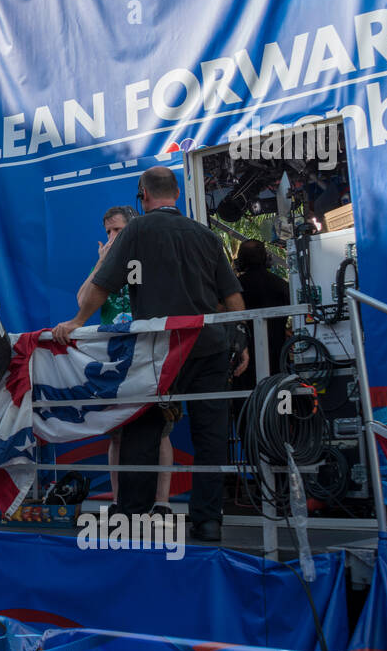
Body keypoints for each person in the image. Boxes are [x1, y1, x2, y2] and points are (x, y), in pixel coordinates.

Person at [52, 165, 248, 541]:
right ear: (176, 193)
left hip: (159, 351)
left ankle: (133, 517)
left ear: (142, 195)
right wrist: (236, 339)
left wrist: (78, 320)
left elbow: (103, 284)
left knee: (142, 431)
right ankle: (209, 521)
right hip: (207, 347)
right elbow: (235, 301)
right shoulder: (206, 236)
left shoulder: (137, 230)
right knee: (210, 437)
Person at [77, 205, 177, 513]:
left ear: (132, 230)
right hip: (116, 360)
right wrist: (101, 264)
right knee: (116, 432)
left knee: (160, 429)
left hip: (151, 357)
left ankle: (161, 502)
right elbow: (83, 302)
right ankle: (119, 501)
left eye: (117, 230)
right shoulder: (106, 263)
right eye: (107, 231)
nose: (111, 236)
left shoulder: (150, 259)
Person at [233, 238, 291, 382]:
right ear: (267, 259)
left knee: (247, 402)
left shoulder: (235, 290)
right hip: (279, 359)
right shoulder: (282, 285)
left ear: (240, 262)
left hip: (245, 362)